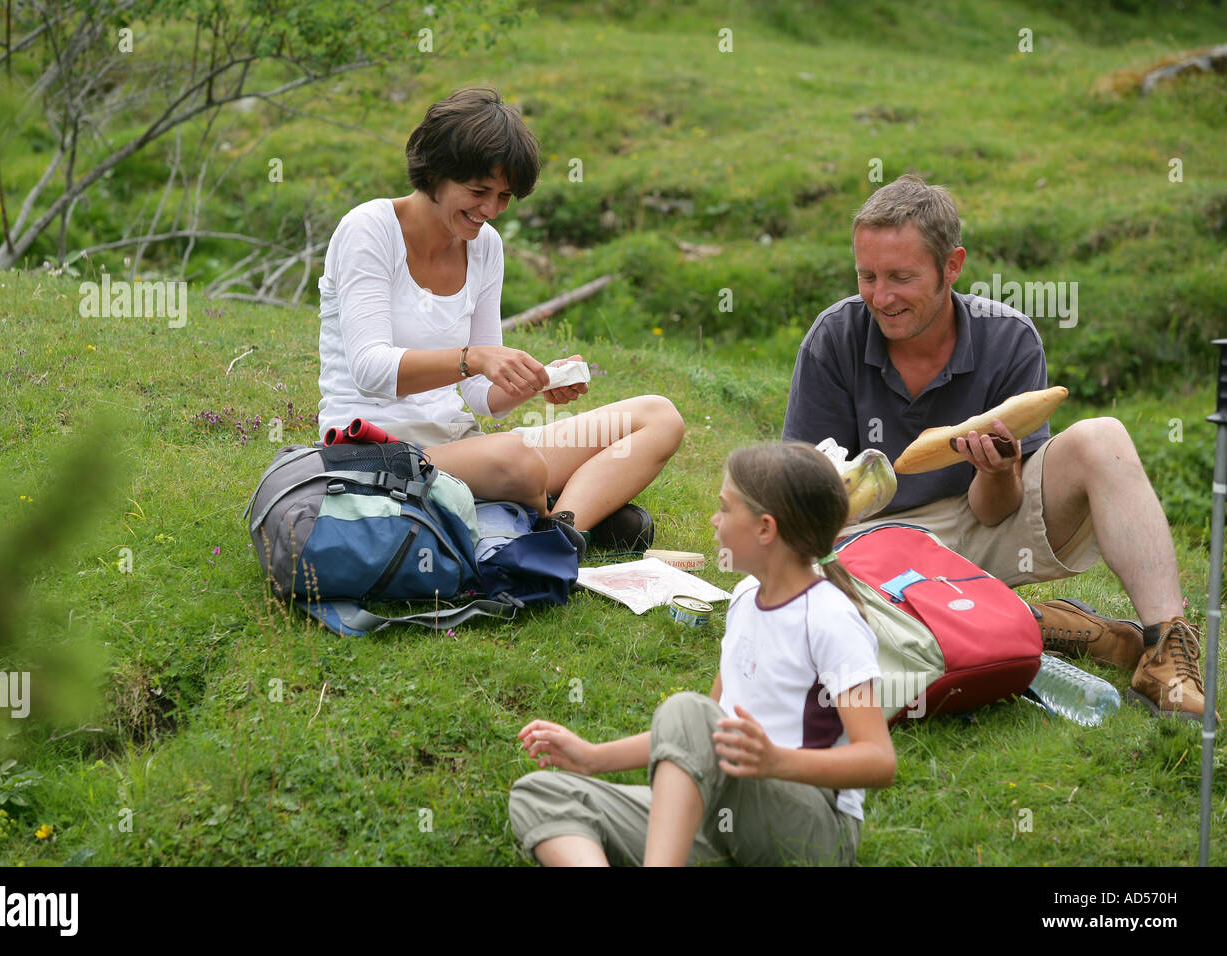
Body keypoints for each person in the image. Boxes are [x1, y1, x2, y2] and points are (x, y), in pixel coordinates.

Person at [782, 174, 1208, 721]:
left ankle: (1164, 648)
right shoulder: (833, 337)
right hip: (873, 548)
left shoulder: (1010, 338)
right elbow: (804, 499)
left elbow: (997, 512)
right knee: (808, 601)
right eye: (867, 275)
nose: (880, 297)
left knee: (1102, 435)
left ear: (951, 266)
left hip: (977, 531)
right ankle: (1045, 627)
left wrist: (998, 472)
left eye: (901, 277)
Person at [317, 87, 682, 553]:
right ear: (434, 172)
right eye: (478, 192)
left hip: (463, 449)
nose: (490, 210)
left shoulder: (484, 245)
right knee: (518, 460)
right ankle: (552, 514)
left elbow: (480, 396)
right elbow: (370, 371)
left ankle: (561, 527)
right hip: (379, 453)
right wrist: (474, 358)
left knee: (657, 417)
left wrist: (529, 381)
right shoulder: (368, 230)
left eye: (505, 196)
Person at [508, 443, 896, 866]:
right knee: (543, 795)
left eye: (725, 508)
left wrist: (775, 761)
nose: (714, 519)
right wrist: (593, 757)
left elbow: (877, 761)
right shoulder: (746, 595)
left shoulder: (831, 617)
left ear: (765, 529)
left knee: (687, 710)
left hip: (811, 831)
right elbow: (701, 737)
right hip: (729, 817)